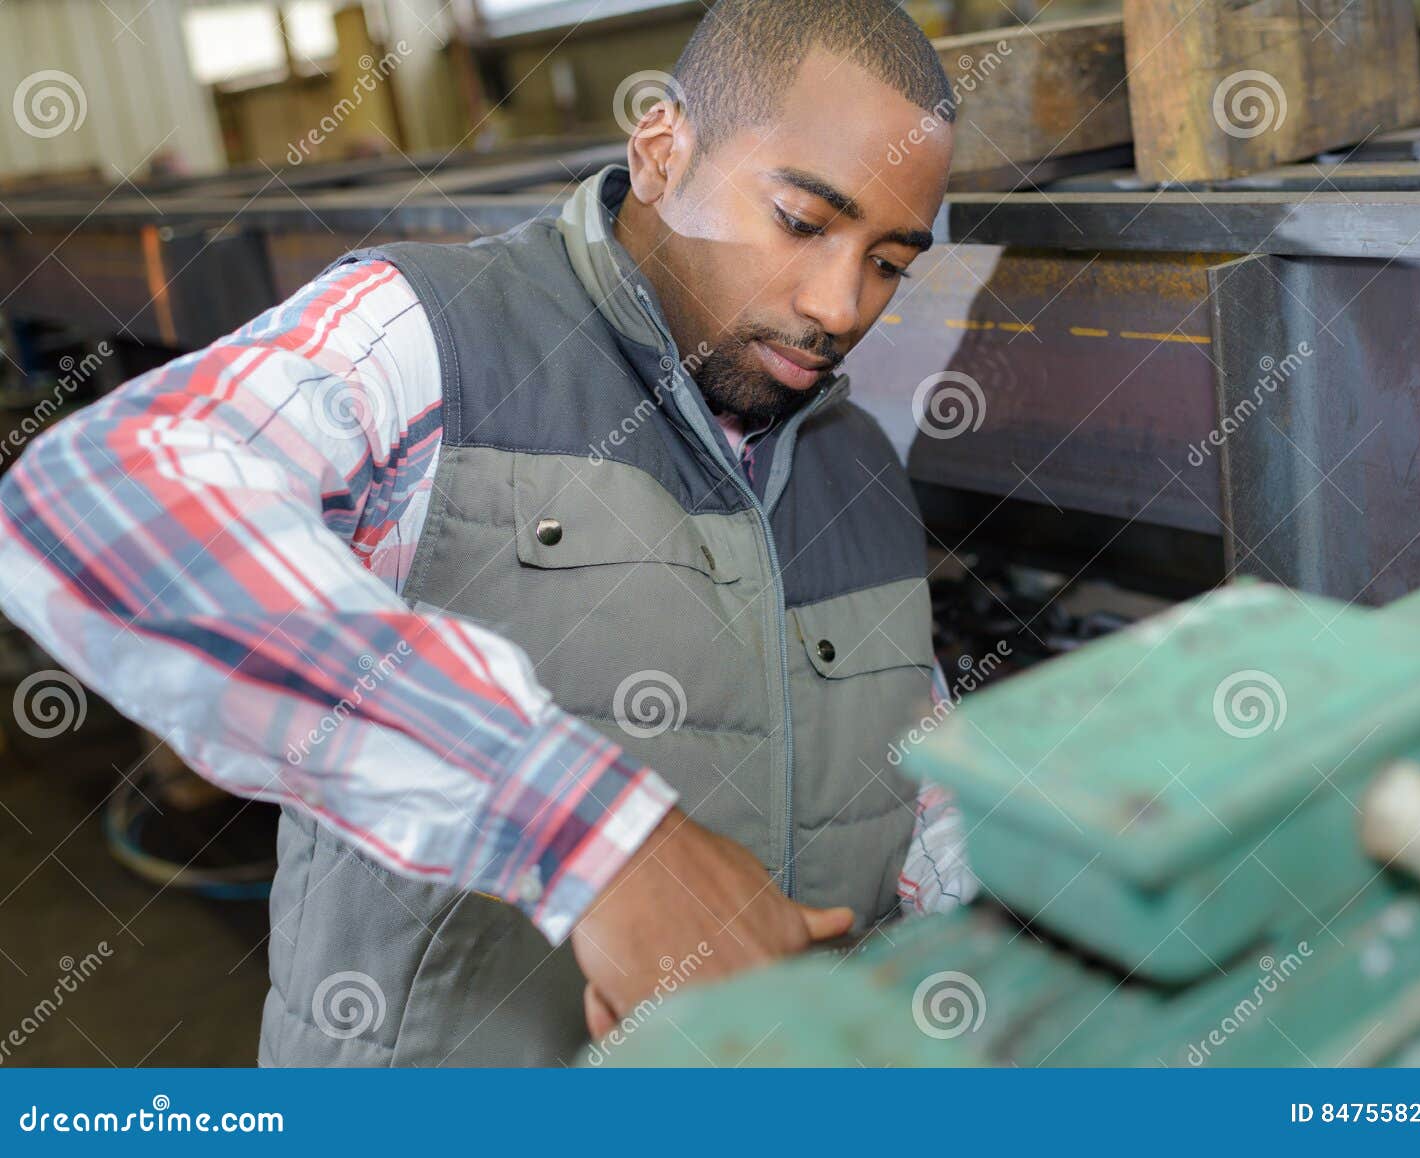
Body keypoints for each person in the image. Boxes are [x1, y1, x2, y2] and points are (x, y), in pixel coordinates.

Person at [0, 0, 975, 1065]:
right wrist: (593, 838)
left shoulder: (861, 472)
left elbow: (918, 821)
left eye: (888, 261)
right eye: (800, 221)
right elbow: (99, 498)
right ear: (661, 148)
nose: (839, 306)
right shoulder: (432, 336)